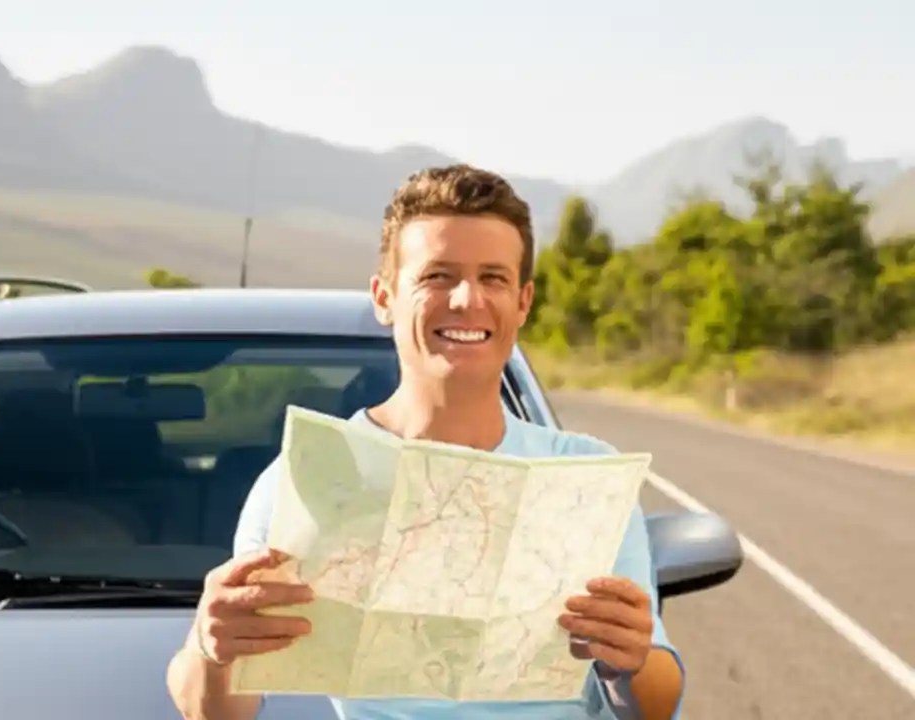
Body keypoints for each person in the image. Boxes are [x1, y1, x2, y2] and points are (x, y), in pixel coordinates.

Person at [165, 164, 686, 719]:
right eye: (438, 275)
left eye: (493, 277)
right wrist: (210, 644)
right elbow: (217, 714)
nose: (467, 299)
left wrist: (628, 662)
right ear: (384, 296)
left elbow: (654, 706)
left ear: (523, 301)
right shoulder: (309, 477)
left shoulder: (587, 478)